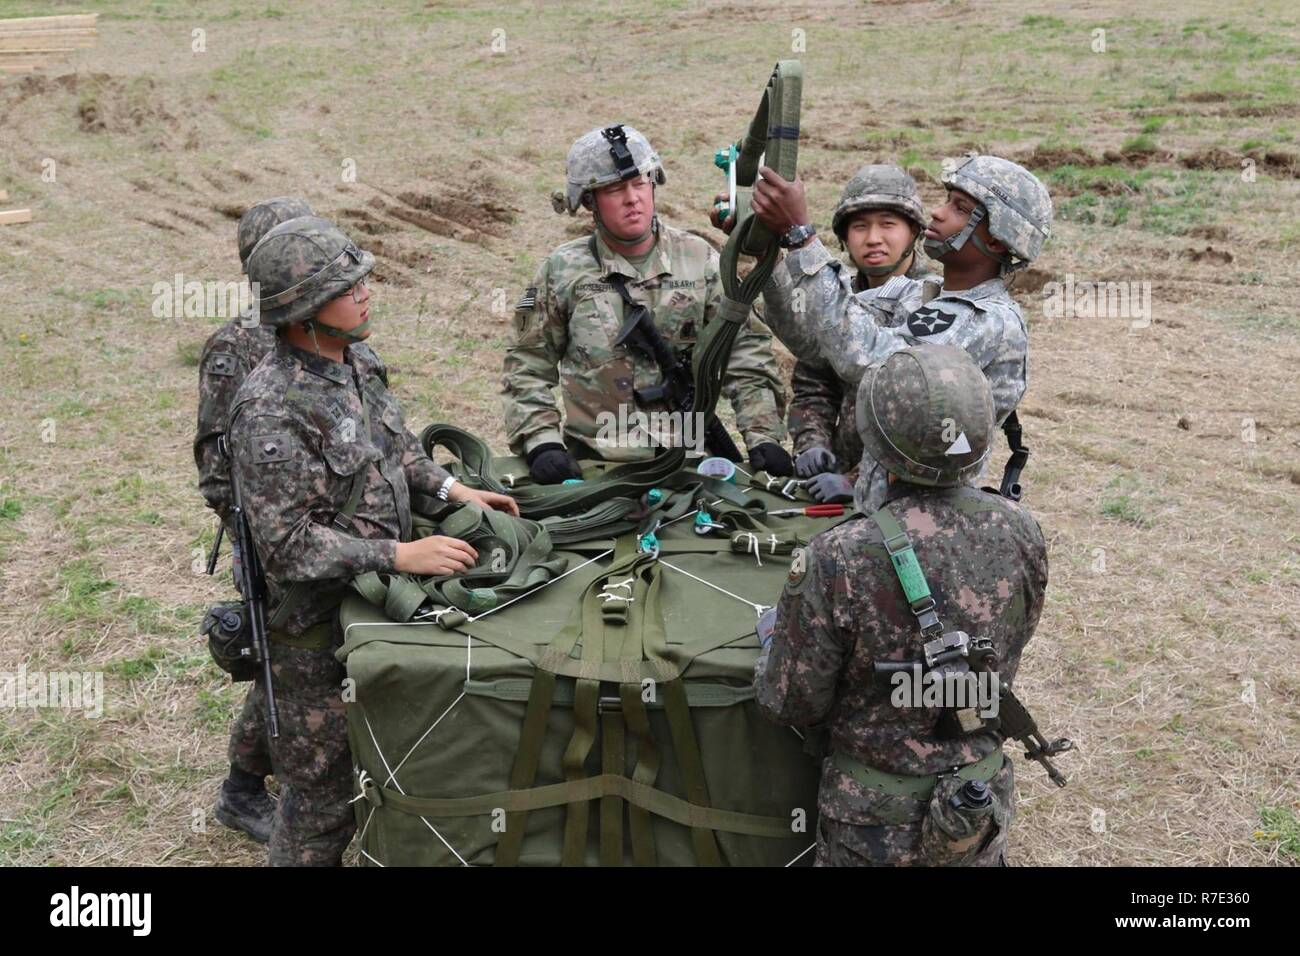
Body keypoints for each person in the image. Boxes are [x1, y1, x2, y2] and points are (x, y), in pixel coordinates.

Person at [228, 216, 516, 865]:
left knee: (394, 766)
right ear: (302, 312)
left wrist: (451, 492)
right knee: (322, 804)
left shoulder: (357, 361)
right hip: (313, 640)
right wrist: (400, 555)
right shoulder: (269, 410)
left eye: (364, 280)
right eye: (347, 286)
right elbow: (289, 546)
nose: (366, 293)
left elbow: (396, 450)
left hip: (379, 616)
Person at [754, 345, 1049, 866]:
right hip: (976, 803)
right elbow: (1012, 644)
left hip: (872, 819)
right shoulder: (1021, 530)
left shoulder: (839, 555)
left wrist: (776, 640)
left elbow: (792, 704)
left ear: (876, 440)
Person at [722, 153, 1052, 511]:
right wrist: (769, 253)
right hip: (879, 515)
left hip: (923, 522)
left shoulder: (988, 321)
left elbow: (865, 358)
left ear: (999, 240)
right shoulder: (920, 295)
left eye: (959, 208)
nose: (938, 213)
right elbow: (815, 340)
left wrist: (801, 235)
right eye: (946, 201)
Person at [503, 123, 791, 483]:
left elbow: (745, 354)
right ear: (589, 201)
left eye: (640, 183)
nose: (632, 198)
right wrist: (541, 442)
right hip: (595, 465)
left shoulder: (700, 260)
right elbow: (527, 364)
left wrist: (763, 437)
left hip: (690, 462)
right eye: (615, 189)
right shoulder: (562, 271)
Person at [784, 165, 940, 505]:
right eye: (859, 227)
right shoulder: (834, 297)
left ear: (914, 232)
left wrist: (855, 480)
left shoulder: (935, 303)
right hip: (833, 485)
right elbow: (813, 382)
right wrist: (812, 443)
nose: (872, 238)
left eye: (888, 224)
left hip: (912, 494)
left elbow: (923, 423)